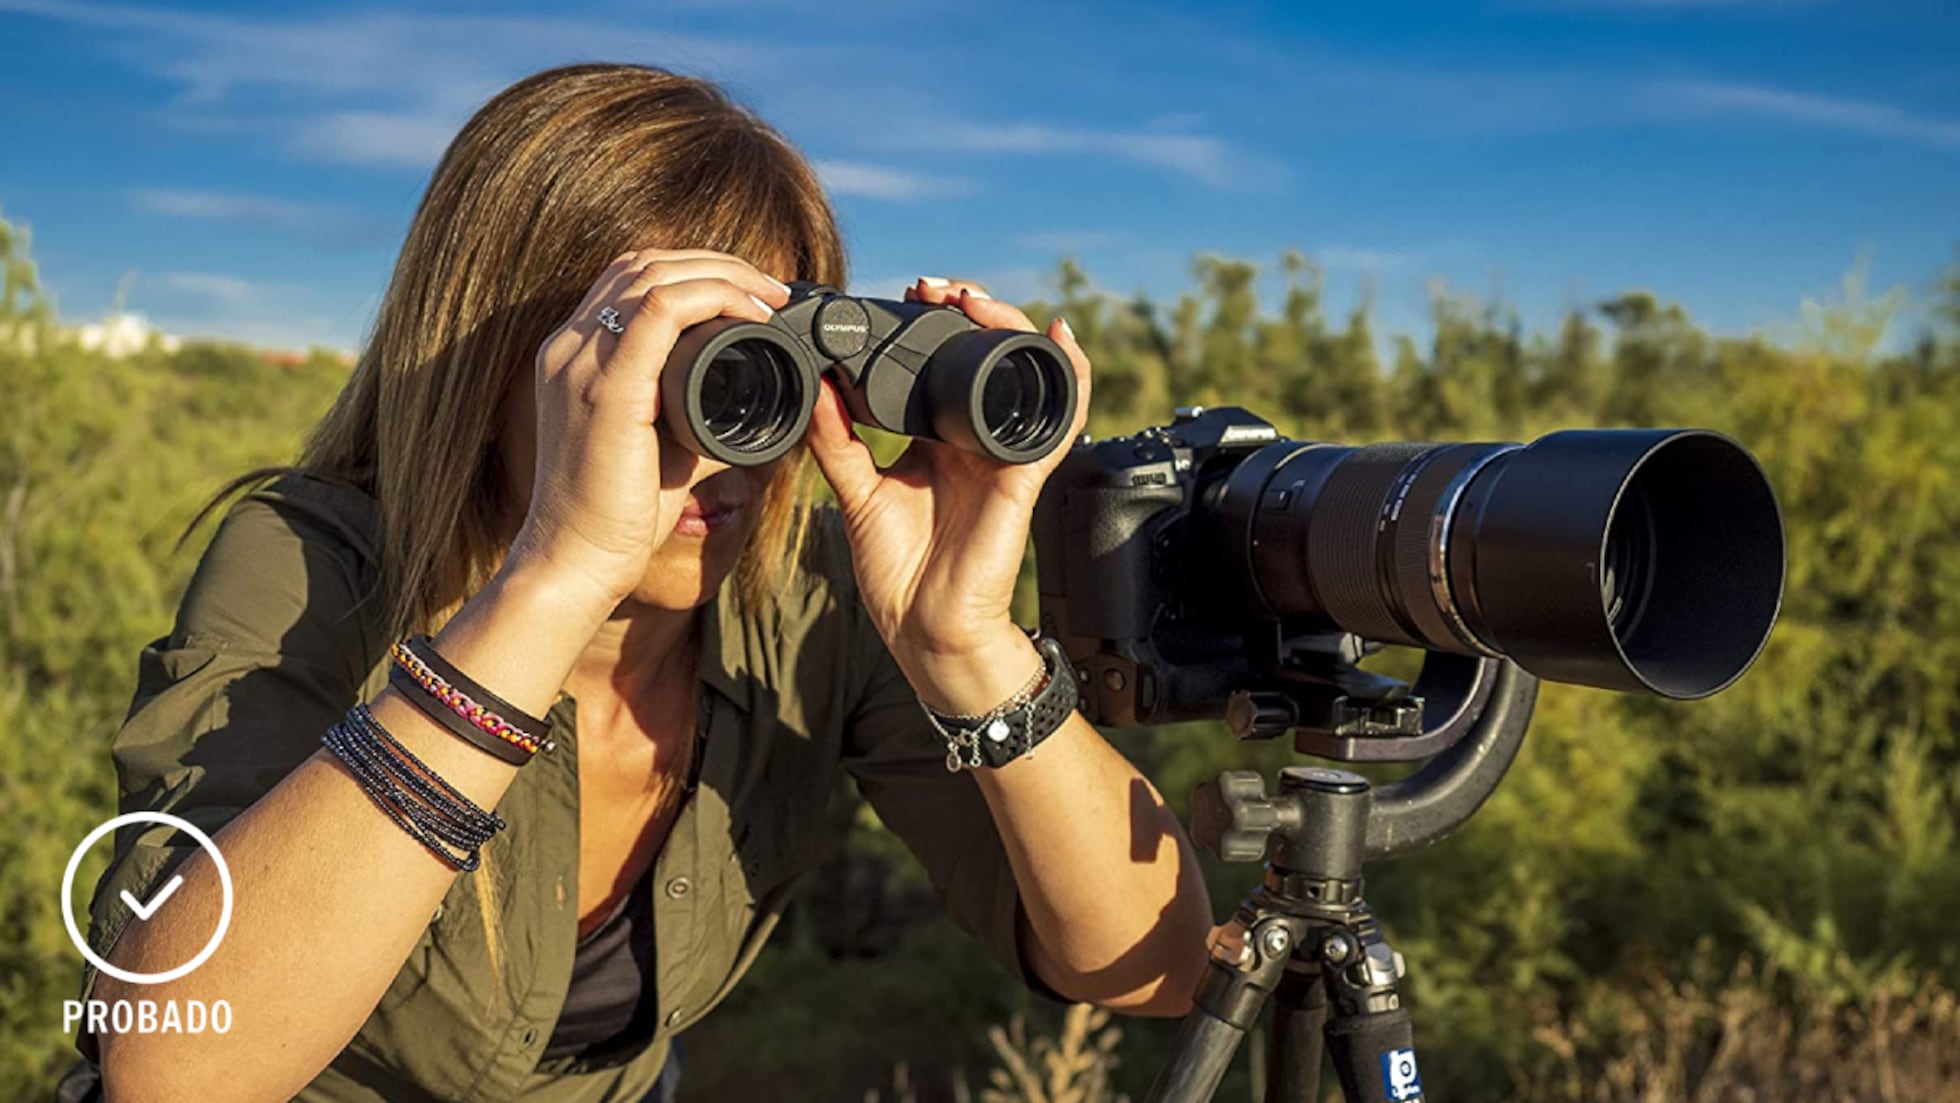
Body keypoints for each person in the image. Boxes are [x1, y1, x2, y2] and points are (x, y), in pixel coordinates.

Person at [59, 62, 1216, 1103]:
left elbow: (1153, 966)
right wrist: (557, 572)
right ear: (505, 366)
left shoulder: (815, 601)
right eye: (675, 375)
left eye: (767, 379)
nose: (726, 450)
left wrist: (967, 646)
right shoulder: (312, 561)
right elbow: (172, 1065)